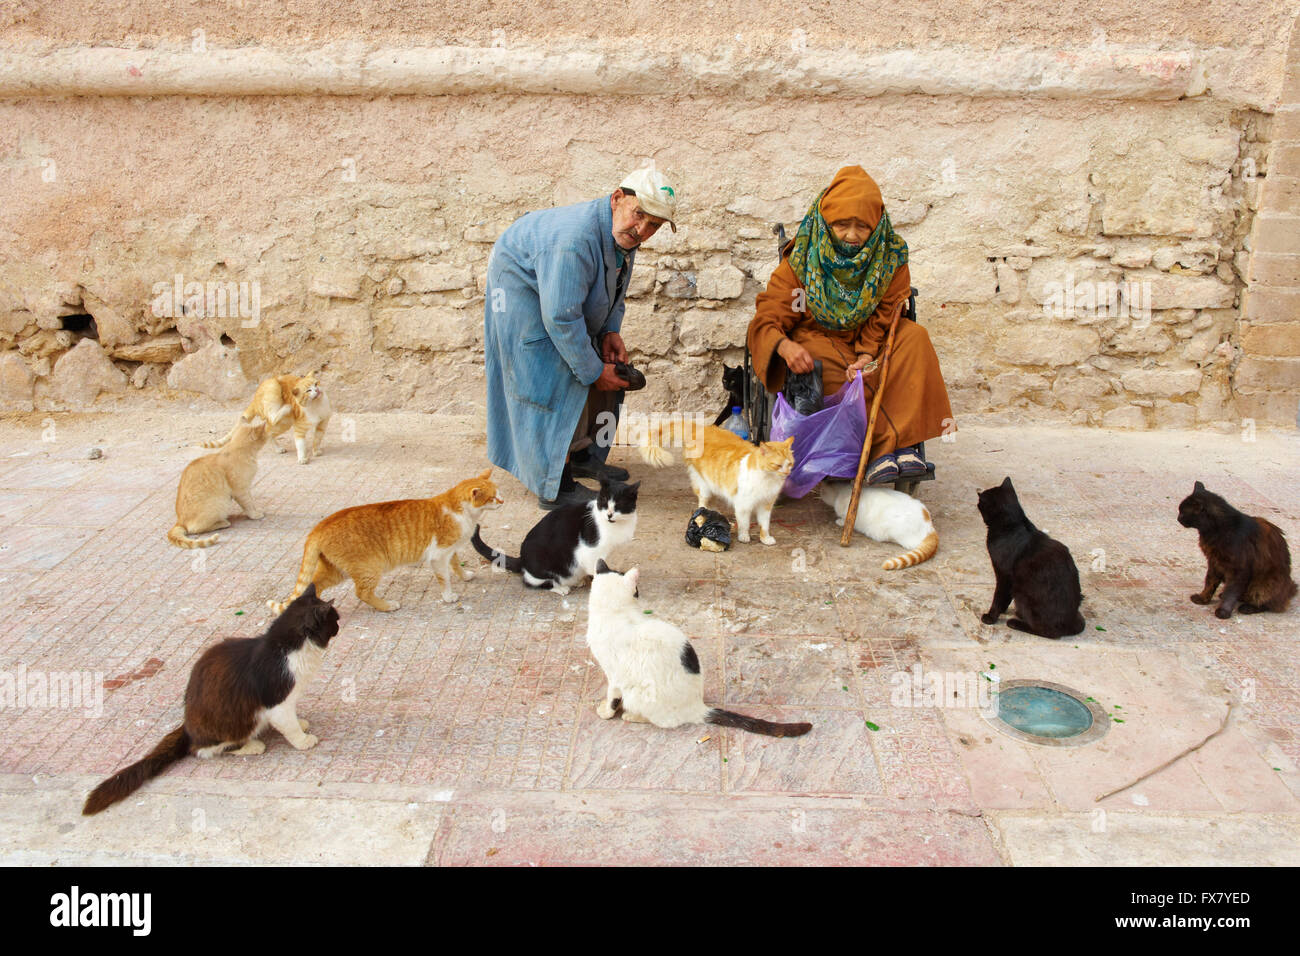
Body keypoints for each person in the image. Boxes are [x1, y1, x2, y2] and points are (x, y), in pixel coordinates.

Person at [484, 168, 679, 509]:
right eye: (640, 216)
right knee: (552, 368)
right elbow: (560, 317)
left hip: (556, 294)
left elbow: (615, 289)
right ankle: (555, 485)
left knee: (607, 365)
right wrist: (591, 371)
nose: (643, 230)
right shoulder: (575, 240)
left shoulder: (620, 233)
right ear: (618, 198)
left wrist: (610, 331)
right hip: (520, 292)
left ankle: (584, 455)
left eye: (655, 225)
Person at [747, 165, 952, 486]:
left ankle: (901, 447)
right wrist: (783, 346)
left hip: (873, 338)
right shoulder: (802, 259)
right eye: (842, 225)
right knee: (821, 362)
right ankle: (880, 449)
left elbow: (887, 313)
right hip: (816, 337)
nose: (852, 236)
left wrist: (867, 353)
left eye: (863, 227)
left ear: (877, 225)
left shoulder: (889, 258)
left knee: (914, 338)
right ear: (826, 221)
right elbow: (772, 313)